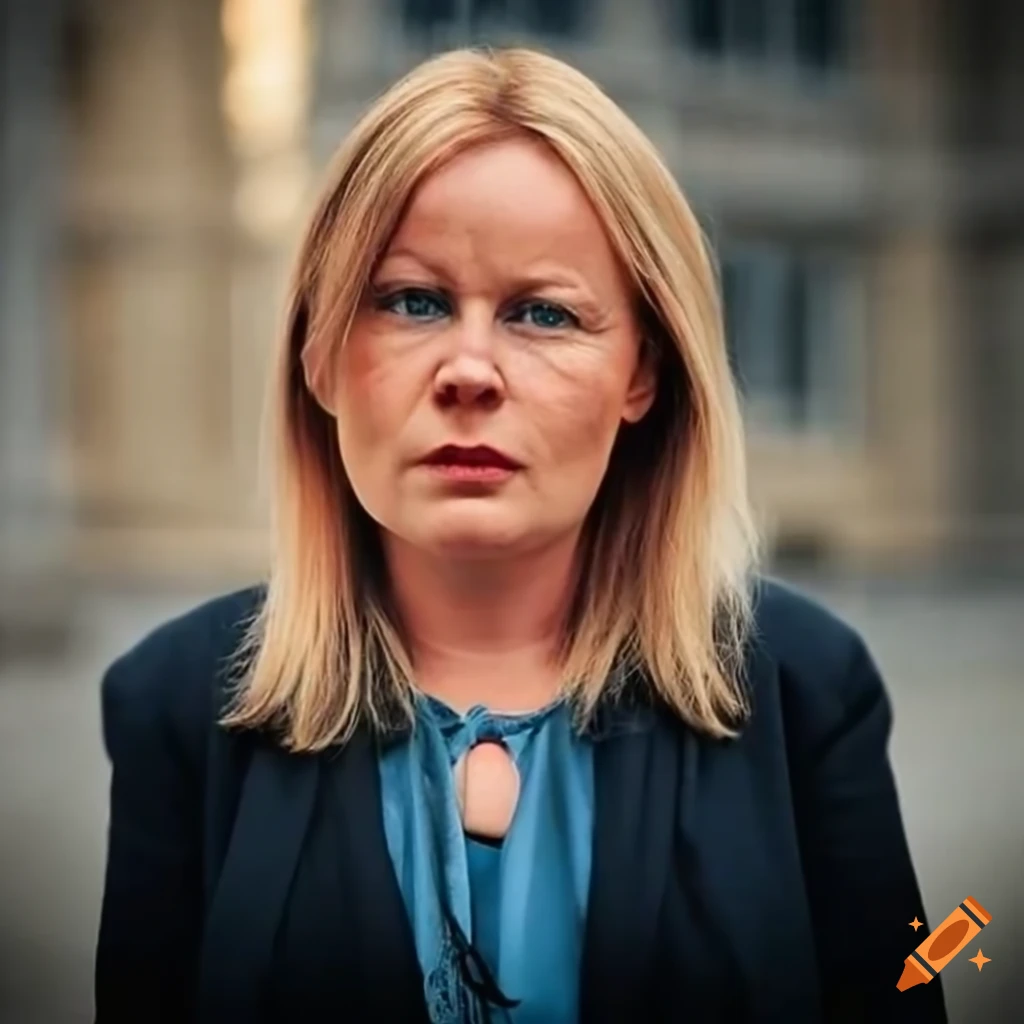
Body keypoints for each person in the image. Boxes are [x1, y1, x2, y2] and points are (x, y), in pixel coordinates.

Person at [94, 47, 946, 1024]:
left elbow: (909, 987)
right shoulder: (175, 704)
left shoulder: (806, 689)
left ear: (644, 373)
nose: (470, 370)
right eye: (412, 301)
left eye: (542, 312)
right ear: (320, 358)